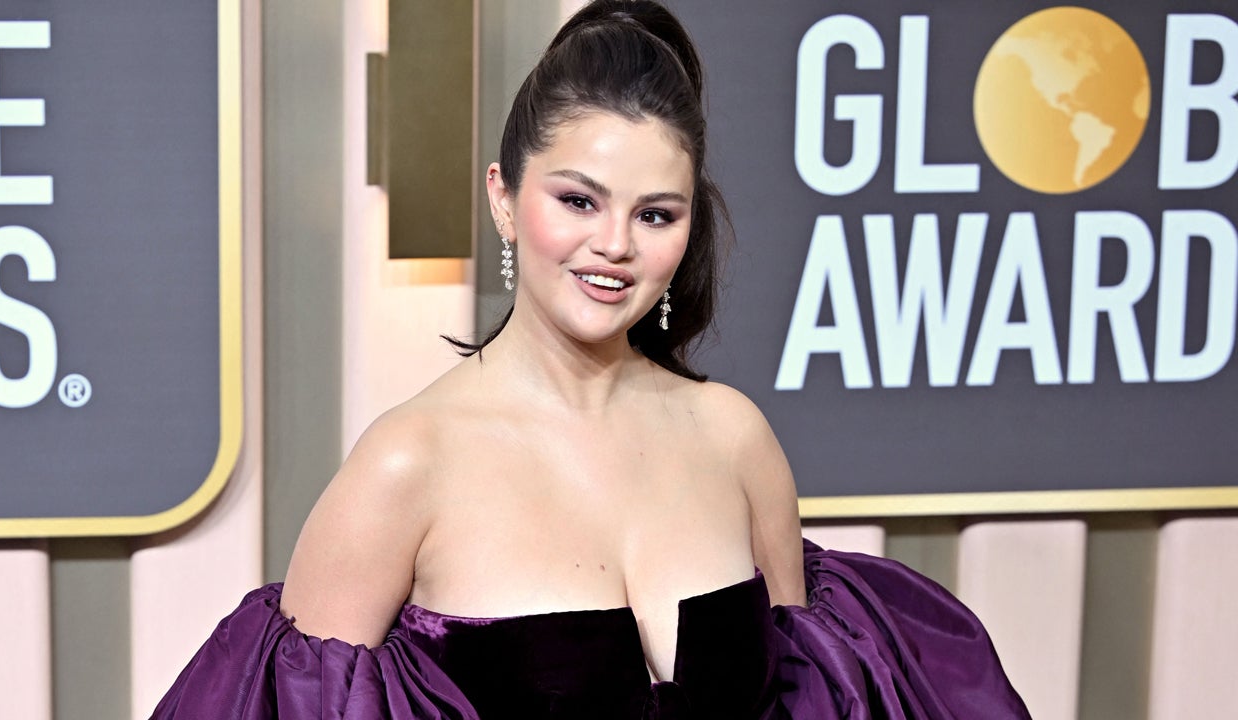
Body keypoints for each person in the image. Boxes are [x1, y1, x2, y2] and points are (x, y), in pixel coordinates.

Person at [153, 1, 1029, 717]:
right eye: (578, 200)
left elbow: (821, 702)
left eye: (655, 214)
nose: (614, 245)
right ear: (504, 198)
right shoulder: (406, 464)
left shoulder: (734, 438)